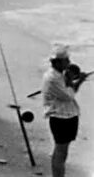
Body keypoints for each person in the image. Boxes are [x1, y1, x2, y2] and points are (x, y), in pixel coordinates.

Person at [42, 44, 86, 177]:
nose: (69, 63)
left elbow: (69, 92)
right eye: (66, 60)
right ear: (58, 61)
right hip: (61, 118)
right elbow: (69, 95)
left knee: (62, 151)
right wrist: (78, 82)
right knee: (60, 152)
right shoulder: (53, 78)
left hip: (67, 116)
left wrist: (70, 81)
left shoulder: (59, 75)